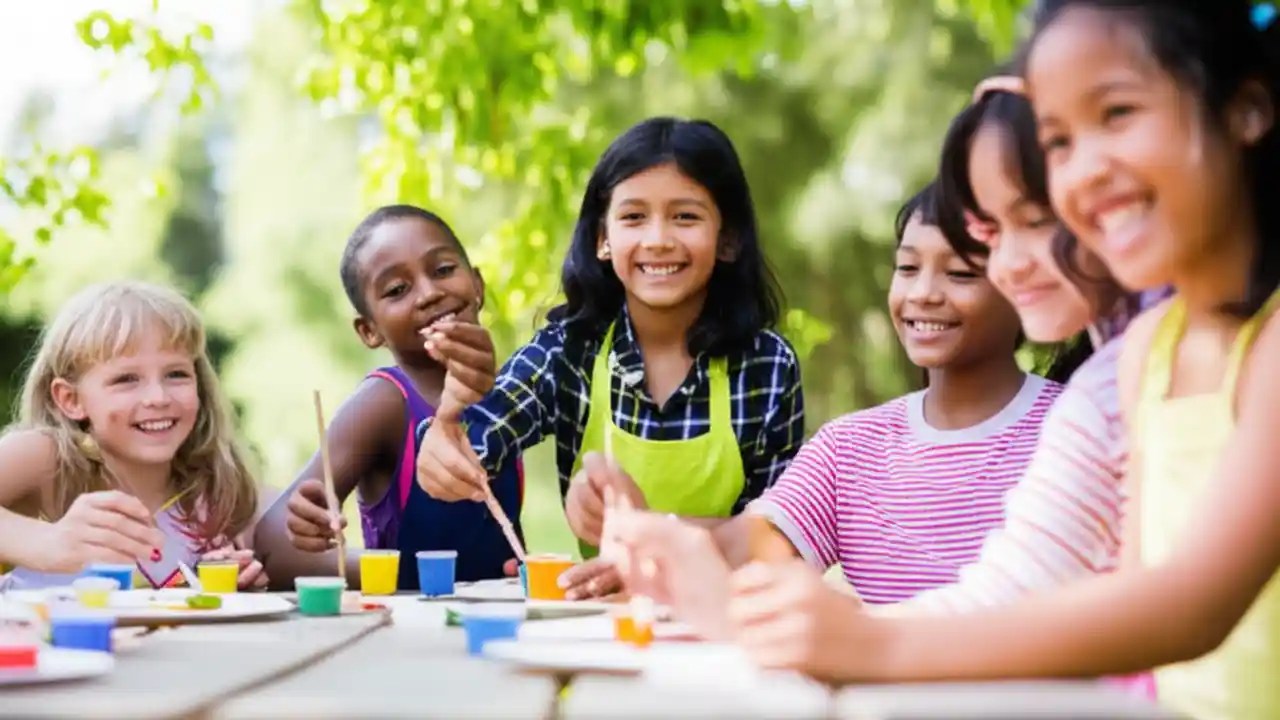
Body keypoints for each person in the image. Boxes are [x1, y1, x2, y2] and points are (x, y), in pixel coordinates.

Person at [723, 4, 1280, 718]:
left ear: (1247, 110)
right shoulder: (1149, 353)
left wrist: (870, 645)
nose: (1084, 172)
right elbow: (1127, 620)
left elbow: (1189, 607)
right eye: (1060, 142)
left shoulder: (1266, 344)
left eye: (1117, 113)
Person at [416, 117, 805, 597]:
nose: (658, 238)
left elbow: (780, 533)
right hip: (604, 618)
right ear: (602, 239)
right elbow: (475, 444)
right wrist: (445, 437)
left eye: (685, 216)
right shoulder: (567, 351)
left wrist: (645, 535)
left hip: (725, 615)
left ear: (727, 238)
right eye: (633, 217)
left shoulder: (767, 366)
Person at [256, 205, 522, 590]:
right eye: (397, 290)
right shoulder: (383, 404)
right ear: (369, 331)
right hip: (408, 634)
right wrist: (396, 573)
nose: (430, 293)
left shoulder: (512, 393)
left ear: (478, 285)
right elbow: (272, 548)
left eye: (443, 270)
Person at [0, 281, 263, 590]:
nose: (158, 397)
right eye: (126, 379)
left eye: (176, 374)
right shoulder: (45, 456)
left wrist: (218, 584)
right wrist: (49, 543)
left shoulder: (216, 489)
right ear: (71, 400)